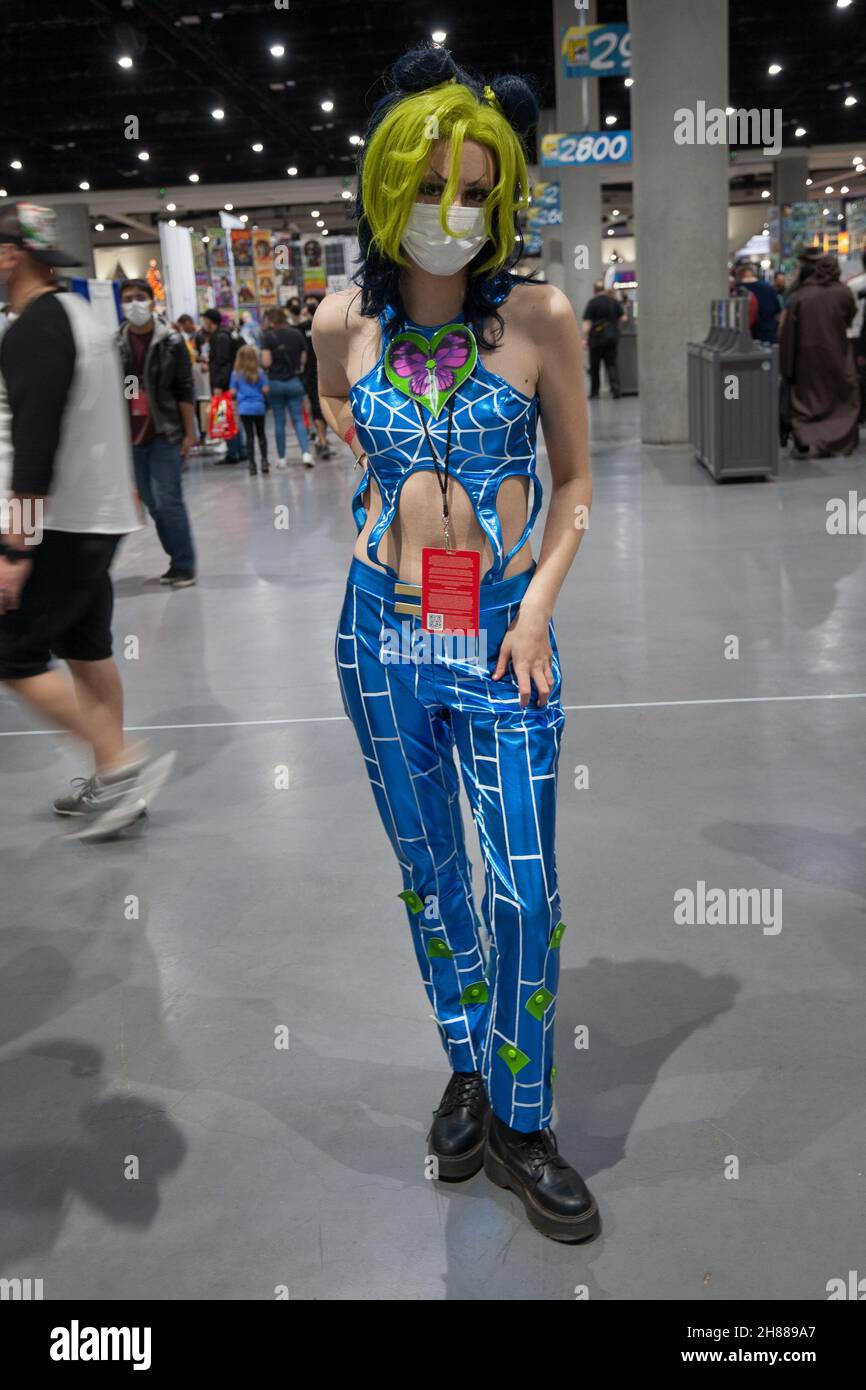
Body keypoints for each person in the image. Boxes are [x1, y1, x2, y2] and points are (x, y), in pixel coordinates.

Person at [315, 42, 597, 1243]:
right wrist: (379, 491)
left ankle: (525, 1116)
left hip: (498, 635)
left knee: (523, 890)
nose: (453, 211)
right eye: (431, 185)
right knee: (433, 880)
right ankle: (470, 1069)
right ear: (387, 187)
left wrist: (534, 603)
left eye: (478, 189)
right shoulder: (344, 324)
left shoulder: (538, 318)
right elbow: (340, 413)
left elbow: (577, 482)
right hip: (380, 636)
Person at [0, 200, 174, 839]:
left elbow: (36, 441)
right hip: (97, 519)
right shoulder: (82, 317)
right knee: (86, 648)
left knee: (13, 659)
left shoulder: (33, 330)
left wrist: (16, 546)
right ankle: (111, 782)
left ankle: (125, 765)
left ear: (11, 255)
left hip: (61, 522)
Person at [117, 280, 197, 587]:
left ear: (152, 302)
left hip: (165, 432)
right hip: (132, 436)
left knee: (168, 500)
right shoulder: (117, 342)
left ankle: (184, 563)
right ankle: (175, 559)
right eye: (128, 298)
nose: (134, 303)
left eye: (140, 297)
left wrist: (189, 433)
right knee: (151, 502)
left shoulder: (171, 341)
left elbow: (184, 390)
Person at [779, 249, 858, 458]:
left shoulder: (801, 296)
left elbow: (789, 332)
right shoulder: (843, 292)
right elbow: (849, 317)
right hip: (837, 352)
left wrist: (786, 365)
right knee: (839, 398)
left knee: (809, 400)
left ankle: (809, 439)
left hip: (807, 357)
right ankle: (839, 440)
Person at [260, 306, 313, 468]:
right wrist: (298, 367)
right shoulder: (296, 334)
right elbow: (304, 356)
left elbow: (266, 362)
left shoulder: (268, 337)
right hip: (294, 381)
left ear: (271, 321)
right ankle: (306, 454)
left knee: (279, 421)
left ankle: (282, 458)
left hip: (275, 382)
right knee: (298, 419)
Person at [199, 307, 246, 464]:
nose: (203, 323)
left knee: (226, 418)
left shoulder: (220, 337)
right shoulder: (222, 335)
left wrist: (219, 384)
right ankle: (240, 450)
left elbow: (223, 362)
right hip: (226, 383)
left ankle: (233, 452)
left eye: (204, 319)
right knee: (231, 416)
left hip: (223, 385)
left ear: (210, 321)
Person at [299, 295, 332, 459]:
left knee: (317, 406)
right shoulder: (325, 325)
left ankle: (322, 439)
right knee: (321, 406)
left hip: (314, 373)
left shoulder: (302, 327)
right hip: (322, 371)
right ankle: (322, 439)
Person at [581, 280, 626, 398]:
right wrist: (616, 327)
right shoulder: (613, 301)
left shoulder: (592, 303)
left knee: (595, 367)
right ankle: (616, 391)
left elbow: (587, 323)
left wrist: (584, 338)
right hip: (611, 338)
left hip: (596, 340)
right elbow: (624, 318)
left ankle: (595, 393)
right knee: (611, 364)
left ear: (594, 290)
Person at [230, 345, 269, 475]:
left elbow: (233, 391)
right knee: (261, 434)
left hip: (244, 408)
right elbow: (265, 389)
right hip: (258, 407)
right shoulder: (260, 372)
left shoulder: (236, 374)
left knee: (249, 436)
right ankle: (264, 461)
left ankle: (252, 465)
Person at [843, 250, 866, 424]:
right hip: (858, 332)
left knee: (859, 377)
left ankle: (860, 413)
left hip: (856, 334)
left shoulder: (853, 285)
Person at [737, 263, 781, 345]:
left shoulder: (737, 289)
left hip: (745, 337)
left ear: (740, 275)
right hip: (768, 334)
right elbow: (777, 311)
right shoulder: (768, 288)